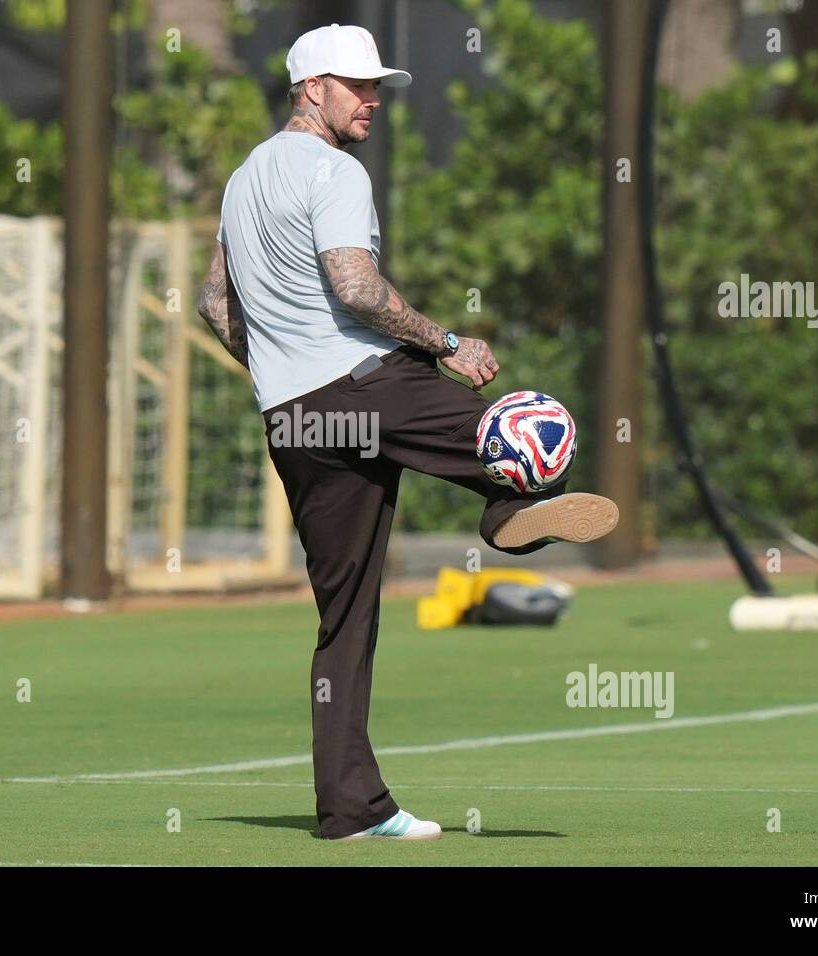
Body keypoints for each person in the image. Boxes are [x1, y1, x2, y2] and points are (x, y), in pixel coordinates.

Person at [197, 23, 619, 841]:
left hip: (293, 416)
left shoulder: (244, 178)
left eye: (377, 84)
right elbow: (355, 288)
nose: (373, 98)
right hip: (370, 386)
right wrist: (449, 343)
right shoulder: (334, 171)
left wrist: (279, 376)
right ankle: (508, 513)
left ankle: (353, 813)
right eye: (356, 84)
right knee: (534, 428)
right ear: (309, 87)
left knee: (344, 617)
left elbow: (215, 302)